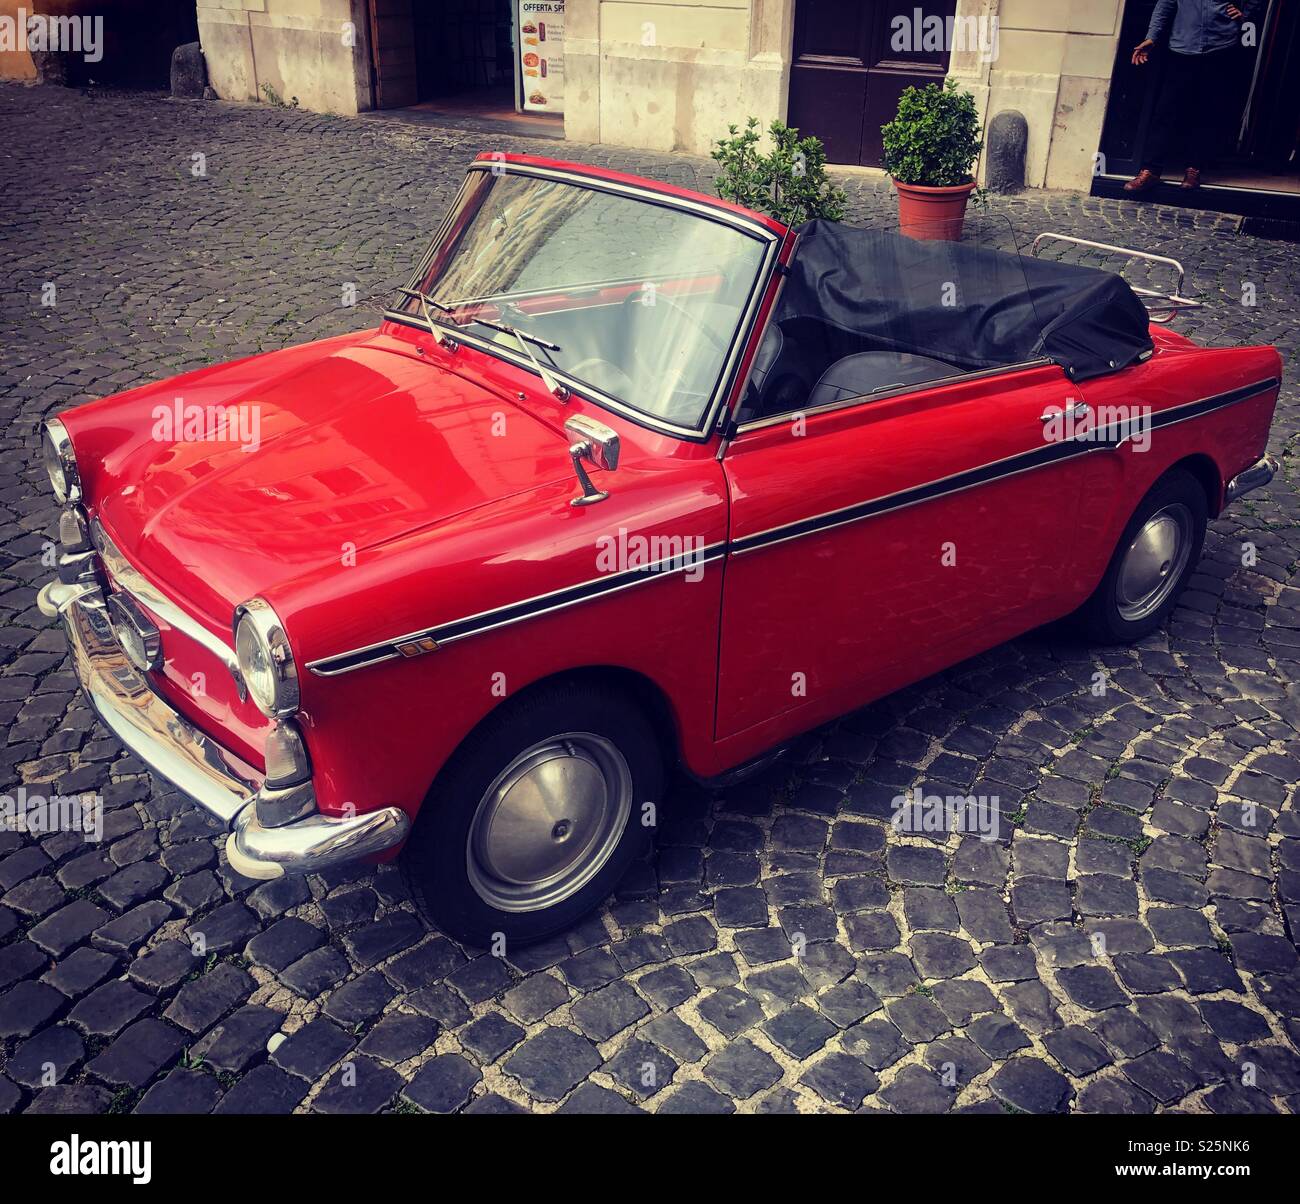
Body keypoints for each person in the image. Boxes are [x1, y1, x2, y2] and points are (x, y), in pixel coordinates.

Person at [1124, 0, 1262, 194]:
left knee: (1207, 113)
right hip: (1182, 48)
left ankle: (1194, 169)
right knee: (1166, 111)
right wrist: (1152, 37)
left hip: (1221, 47)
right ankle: (1151, 170)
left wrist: (1246, 15)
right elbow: (1165, 5)